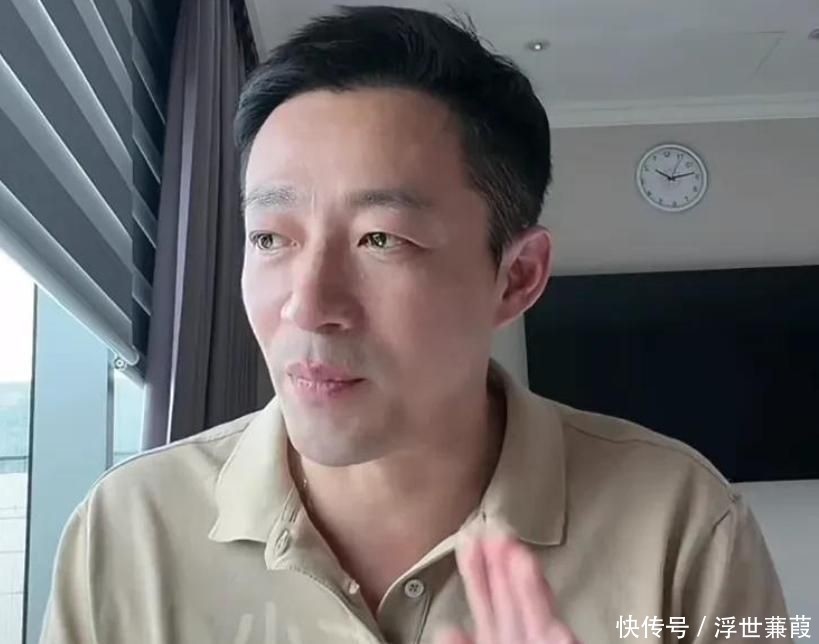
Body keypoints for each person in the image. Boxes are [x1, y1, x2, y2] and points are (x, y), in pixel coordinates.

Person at [40, 6, 790, 644]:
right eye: (270, 237)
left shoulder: (682, 526)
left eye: (381, 239)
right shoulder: (129, 530)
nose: (307, 304)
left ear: (516, 277)